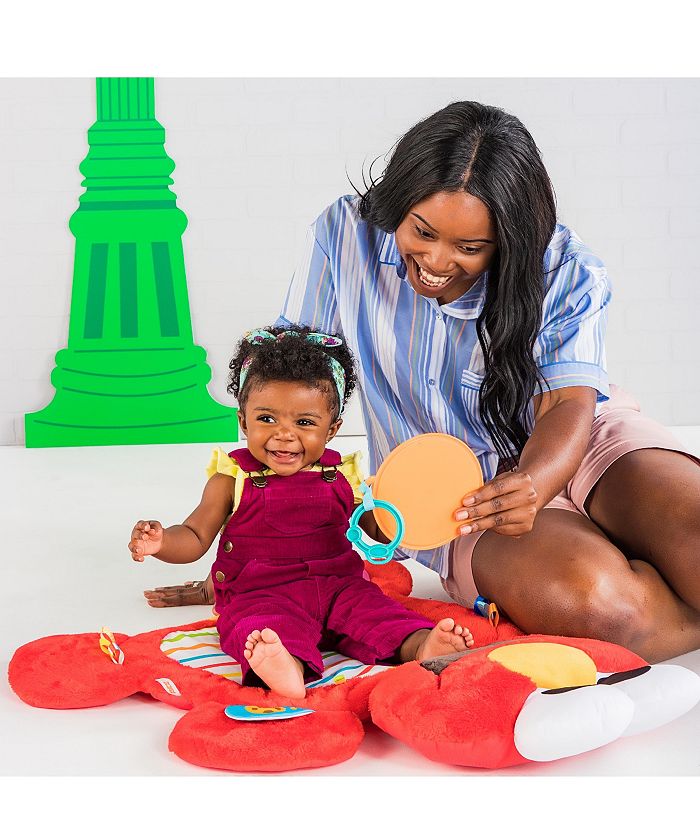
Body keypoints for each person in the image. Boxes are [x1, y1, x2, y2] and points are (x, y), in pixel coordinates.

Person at [145, 100, 700, 665]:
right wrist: (257, 564)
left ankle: (658, 555)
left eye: (470, 247)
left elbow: (566, 403)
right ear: (400, 202)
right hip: (454, 500)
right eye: (423, 231)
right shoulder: (346, 235)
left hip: (580, 442)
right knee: (607, 611)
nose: (436, 261)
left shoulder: (561, 265)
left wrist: (534, 481)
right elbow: (293, 379)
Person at [132, 325, 473, 698]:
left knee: (379, 614)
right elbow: (195, 536)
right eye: (267, 419)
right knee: (262, 627)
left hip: (341, 587)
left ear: (332, 429)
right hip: (263, 593)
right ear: (243, 421)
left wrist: (405, 507)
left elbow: (376, 530)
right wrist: (162, 542)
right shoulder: (233, 478)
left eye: (305, 423)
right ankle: (283, 666)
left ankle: (424, 646)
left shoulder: (344, 474)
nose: (284, 434)